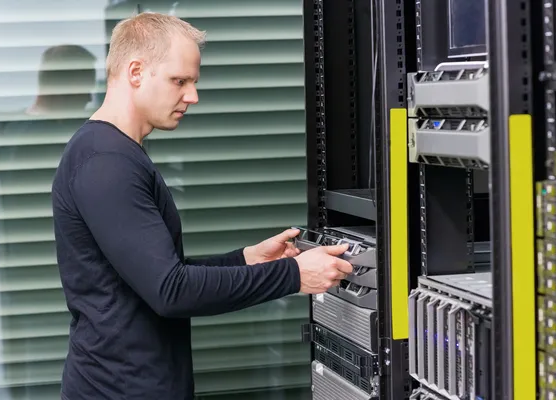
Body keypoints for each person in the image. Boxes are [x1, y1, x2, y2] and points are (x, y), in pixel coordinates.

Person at [51, 12, 353, 400]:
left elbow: (154, 275)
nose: (192, 96)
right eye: (180, 81)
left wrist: (246, 259)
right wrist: (292, 275)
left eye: (193, 82)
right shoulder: (106, 162)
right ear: (136, 72)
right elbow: (170, 290)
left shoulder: (114, 153)